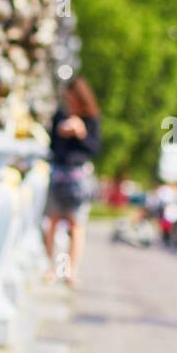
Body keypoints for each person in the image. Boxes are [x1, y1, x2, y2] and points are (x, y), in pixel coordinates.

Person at [42, 76, 101, 290]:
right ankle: (51, 267)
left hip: (78, 178)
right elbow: (51, 147)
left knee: (77, 225)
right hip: (59, 173)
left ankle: (71, 270)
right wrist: (60, 133)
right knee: (52, 222)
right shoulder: (60, 116)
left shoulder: (91, 119)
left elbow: (95, 149)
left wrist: (81, 133)